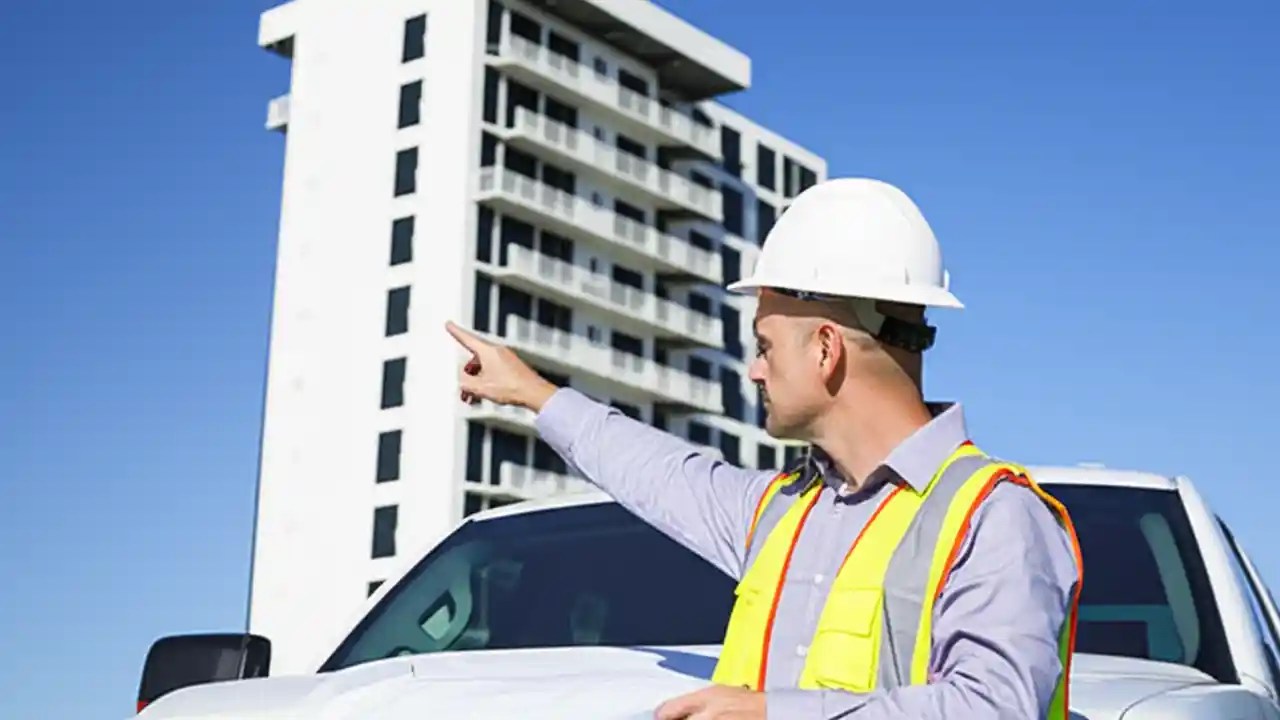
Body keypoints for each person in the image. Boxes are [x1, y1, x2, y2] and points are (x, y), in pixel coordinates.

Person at [445, 177, 1083, 720]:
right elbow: (655, 472)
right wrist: (532, 392)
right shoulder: (781, 511)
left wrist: (773, 712)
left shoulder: (994, 517)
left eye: (765, 346)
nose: (753, 371)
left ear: (826, 349)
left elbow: (994, 708)